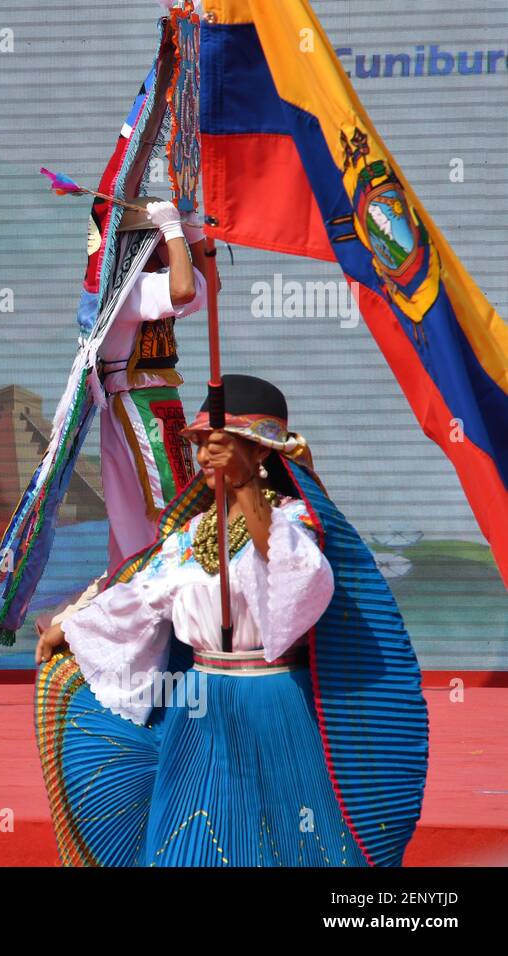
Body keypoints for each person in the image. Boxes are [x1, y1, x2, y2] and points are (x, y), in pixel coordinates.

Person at [33, 375, 428, 866]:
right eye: (201, 445)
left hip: (275, 702)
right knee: (193, 839)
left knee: (284, 840)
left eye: (221, 445)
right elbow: (141, 597)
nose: (204, 457)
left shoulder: (295, 523)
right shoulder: (193, 534)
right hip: (199, 707)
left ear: (261, 452)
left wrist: (243, 485)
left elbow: (293, 581)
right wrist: (68, 629)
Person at [36, 196, 209, 636]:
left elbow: (208, 288)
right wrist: (173, 229)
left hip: (159, 404)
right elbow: (186, 290)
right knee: (163, 516)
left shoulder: (151, 281)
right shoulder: (129, 288)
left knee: (145, 526)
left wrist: (194, 233)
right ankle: (119, 620)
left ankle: (83, 620)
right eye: (154, 240)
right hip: (136, 408)